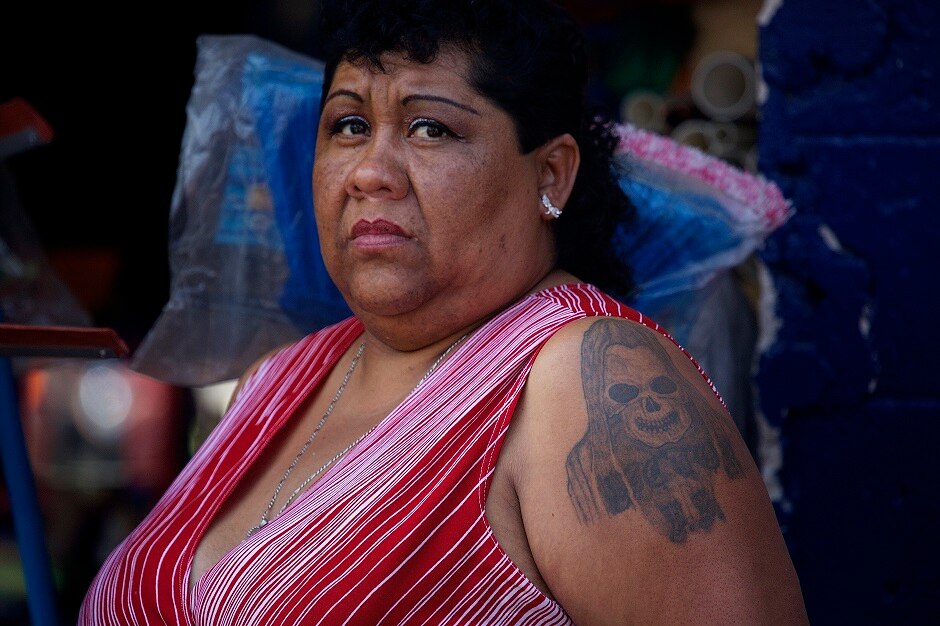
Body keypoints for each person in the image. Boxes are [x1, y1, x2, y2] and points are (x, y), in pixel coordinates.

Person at [79, 0, 808, 623]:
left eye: (430, 128)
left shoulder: (584, 383)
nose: (368, 171)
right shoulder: (274, 381)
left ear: (549, 173)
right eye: (348, 126)